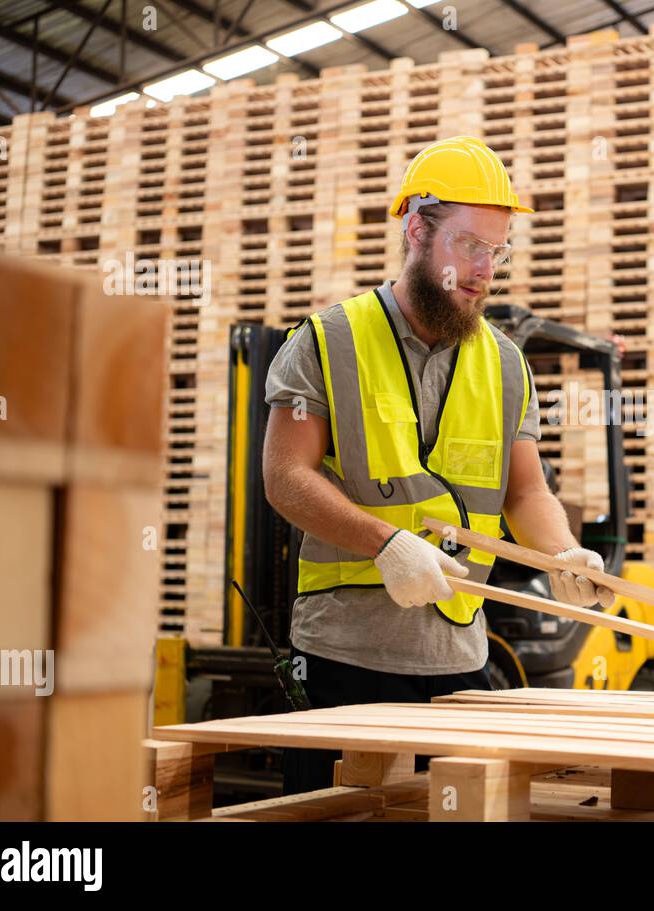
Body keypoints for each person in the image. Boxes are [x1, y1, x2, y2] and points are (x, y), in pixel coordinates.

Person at [262, 136, 615, 794]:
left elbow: (526, 490)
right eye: (470, 245)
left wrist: (564, 552)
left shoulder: (506, 363)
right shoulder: (326, 341)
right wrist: (385, 543)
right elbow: (285, 477)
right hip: (343, 660)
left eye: (497, 251)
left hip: (458, 659)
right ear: (416, 231)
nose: (485, 270)